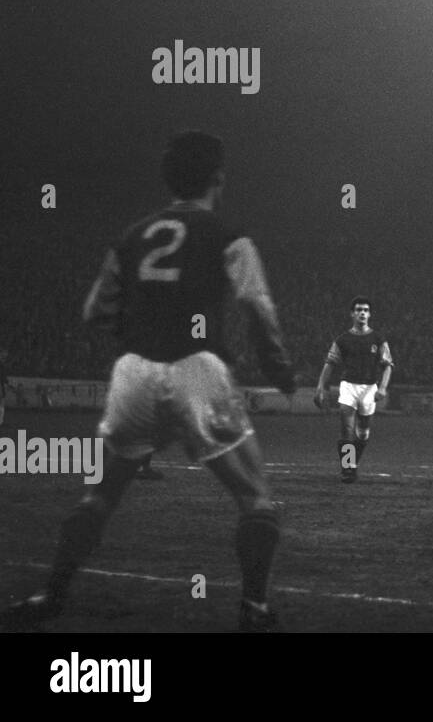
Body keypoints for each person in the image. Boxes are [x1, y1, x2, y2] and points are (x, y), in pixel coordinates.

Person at [1, 131, 296, 632]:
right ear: (218, 178)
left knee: (100, 494)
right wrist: (276, 364)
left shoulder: (132, 235)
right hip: (197, 367)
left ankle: (50, 596)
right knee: (255, 498)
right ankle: (254, 610)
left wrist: (139, 329)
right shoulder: (229, 234)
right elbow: (257, 304)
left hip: (132, 371)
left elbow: (95, 312)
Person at [314, 297, 393, 483]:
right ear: (352, 314)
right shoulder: (342, 340)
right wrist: (320, 387)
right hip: (348, 386)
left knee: (363, 432)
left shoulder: (378, 339)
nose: (362, 313)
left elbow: (388, 365)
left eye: (366, 310)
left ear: (370, 314)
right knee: (346, 429)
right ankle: (348, 469)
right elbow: (329, 364)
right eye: (359, 310)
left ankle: (352, 462)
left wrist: (382, 388)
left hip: (369, 389)